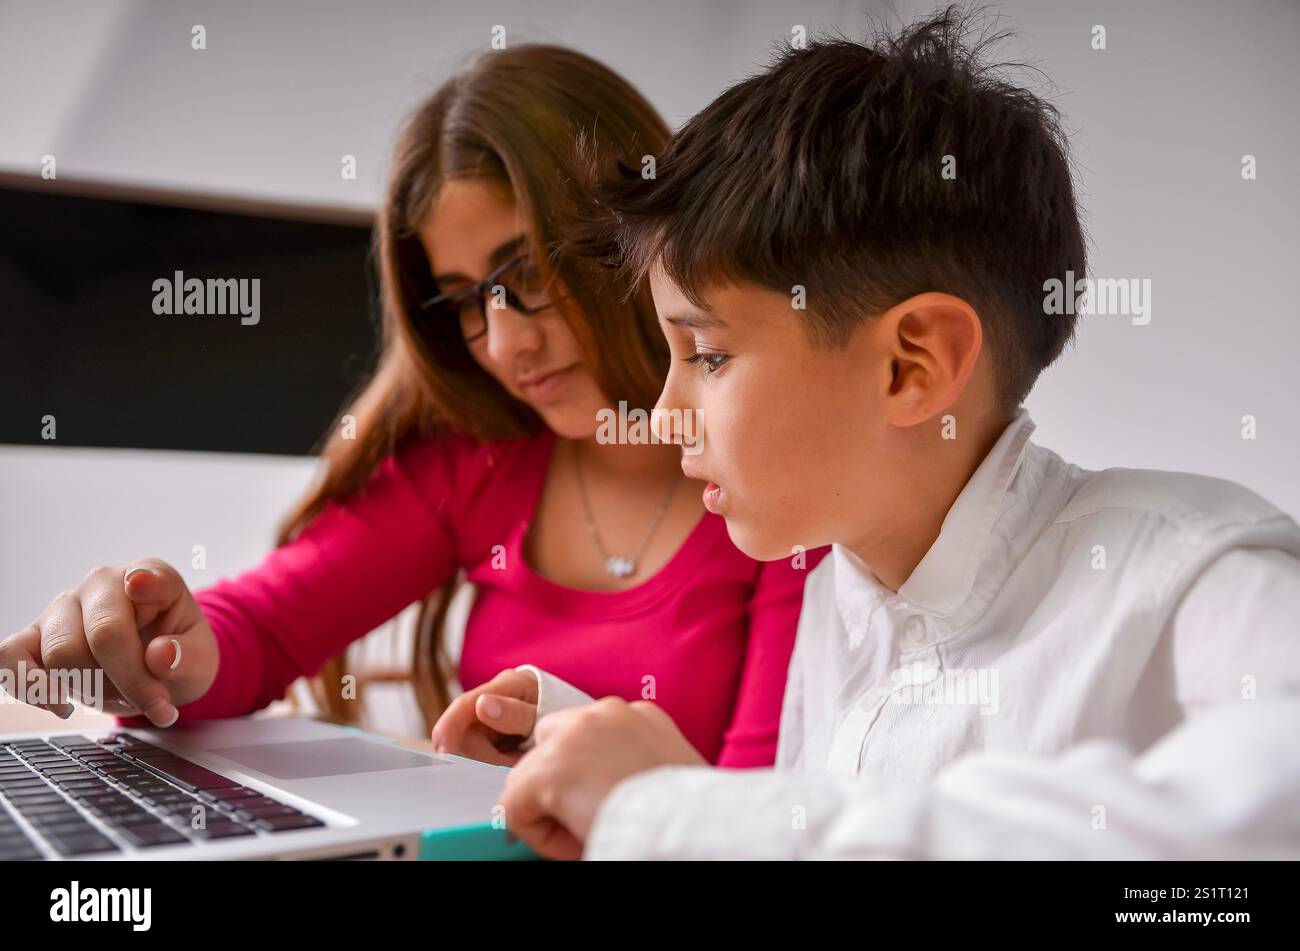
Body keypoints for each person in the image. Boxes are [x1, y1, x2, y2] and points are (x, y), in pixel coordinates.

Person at [497, 10, 1300, 859]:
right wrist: (604, 776)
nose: (664, 415)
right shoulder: (834, 595)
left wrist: (673, 812)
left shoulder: (1193, 575)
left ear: (913, 365)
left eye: (710, 354)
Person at [0, 45, 823, 771]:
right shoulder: (480, 463)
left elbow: (754, 814)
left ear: (636, 232)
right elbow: (265, 628)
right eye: (464, 300)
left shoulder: (779, 488)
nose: (504, 343)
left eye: (526, 271)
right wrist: (159, 646)